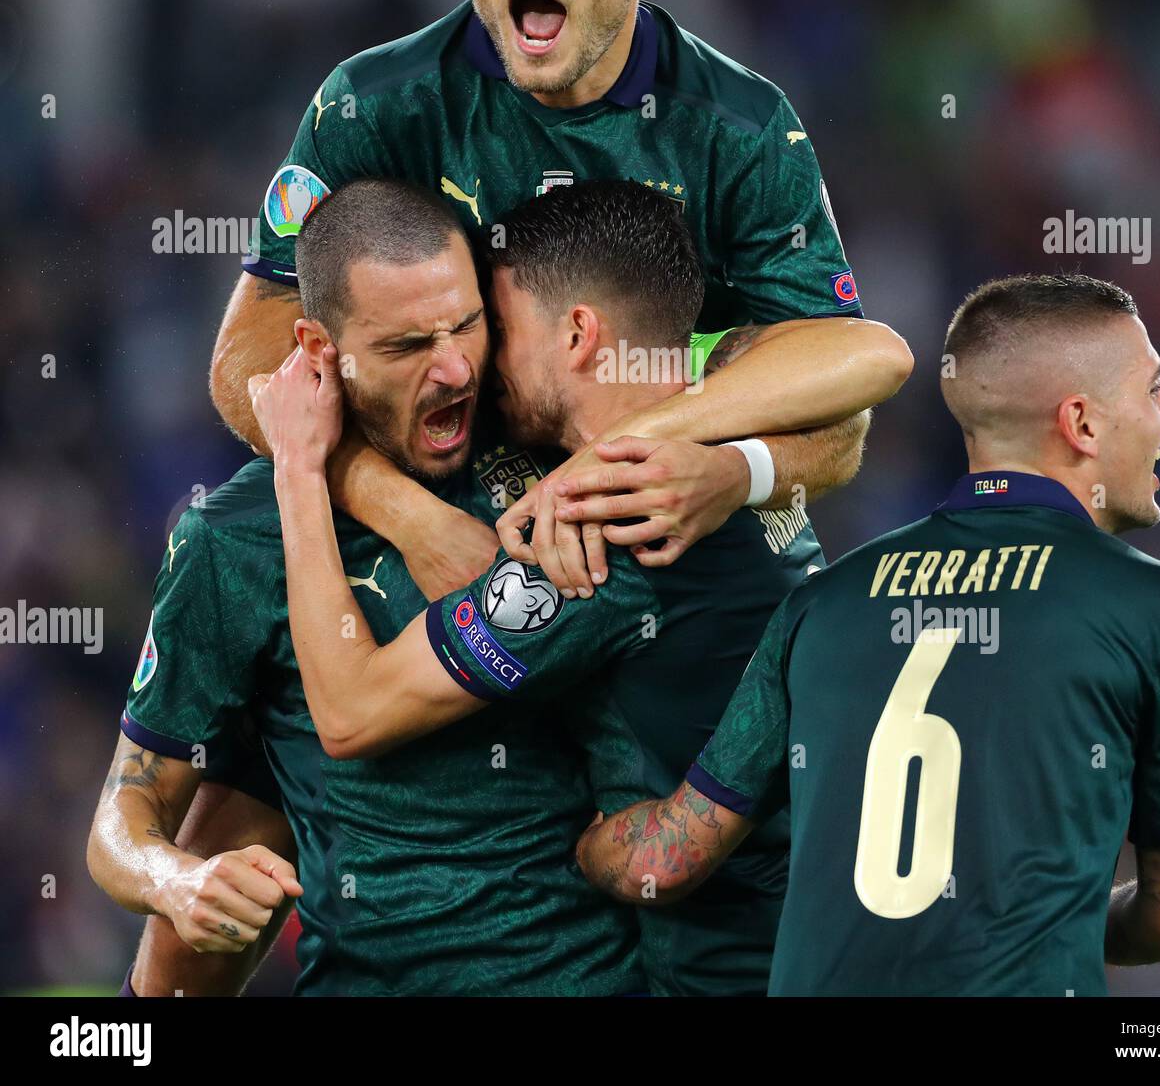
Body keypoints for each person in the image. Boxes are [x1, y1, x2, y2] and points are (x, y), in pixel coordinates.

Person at [89, 177, 908, 994]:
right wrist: (174, 882)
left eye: (474, 326)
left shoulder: (585, 481)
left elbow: (861, 356)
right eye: (408, 346)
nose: (453, 368)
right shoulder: (234, 542)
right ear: (316, 350)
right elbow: (163, 814)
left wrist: (715, 463)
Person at [209, 0, 874, 603]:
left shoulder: (743, 128)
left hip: (667, 514)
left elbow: (840, 415)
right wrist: (403, 512)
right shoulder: (375, 105)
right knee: (212, 536)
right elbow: (249, 355)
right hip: (448, 499)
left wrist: (736, 473)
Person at [576, 274, 1160, 997]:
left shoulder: (821, 603)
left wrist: (575, 837)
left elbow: (663, 861)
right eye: (1152, 390)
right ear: (1082, 423)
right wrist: (1030, 922)